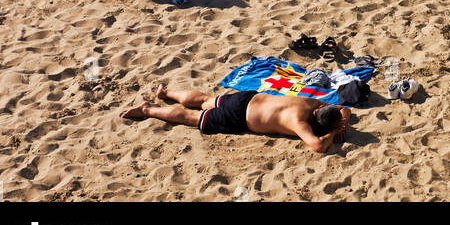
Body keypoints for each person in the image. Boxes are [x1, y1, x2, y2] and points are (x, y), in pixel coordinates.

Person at [122, 85, 351, 151]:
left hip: (248, 98)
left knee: (205, 99)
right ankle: (148, 110)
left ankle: (166, 93)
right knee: (193, 117)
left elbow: (343, 109)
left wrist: (343, 120)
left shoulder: (312, 104)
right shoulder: (300, 124)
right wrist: (335, 131)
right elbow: (318, 145)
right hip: (240, 116)